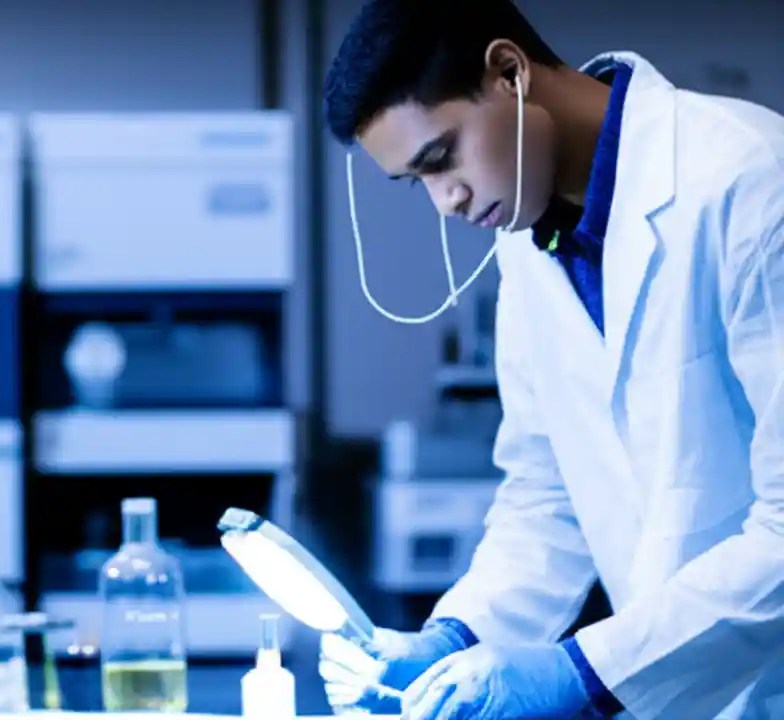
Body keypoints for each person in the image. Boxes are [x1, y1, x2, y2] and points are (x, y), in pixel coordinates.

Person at [318, 1, 784, 718]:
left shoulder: (751, 182)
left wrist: (581, 675)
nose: (447, 201)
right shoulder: (526, 240)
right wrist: (453, 636)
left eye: (441, 158)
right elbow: (547, 491)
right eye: (418, 182)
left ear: (509, 71)